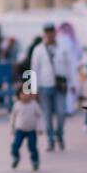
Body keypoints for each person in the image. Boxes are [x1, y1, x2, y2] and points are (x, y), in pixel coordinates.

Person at [31, 23, 76, 152]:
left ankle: (59, 133)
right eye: (47, 33)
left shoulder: (63, 48)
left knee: (62, 113)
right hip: (44, 85)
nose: (50, 35)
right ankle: (50, 140)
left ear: (55, 33)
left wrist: (72, 83)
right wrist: (33, 90)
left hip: (60, 85)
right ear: (44, 34)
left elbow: (69, 66)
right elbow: (33, 69)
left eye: (52, 32)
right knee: (47, 115)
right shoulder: (38, 49)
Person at [9, 88, 42, 170]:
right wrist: (12, 128)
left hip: (31, 130)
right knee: (15, 145)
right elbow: (12, 117)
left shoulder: (34, 104)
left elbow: (40, 116)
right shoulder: (17, 105)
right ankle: (16, 157)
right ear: (18, 95)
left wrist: (40, 127)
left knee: (32, 146)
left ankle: (35, 162)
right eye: (22, 93)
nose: (25, 95)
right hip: (20, 129)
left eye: (27, 93)